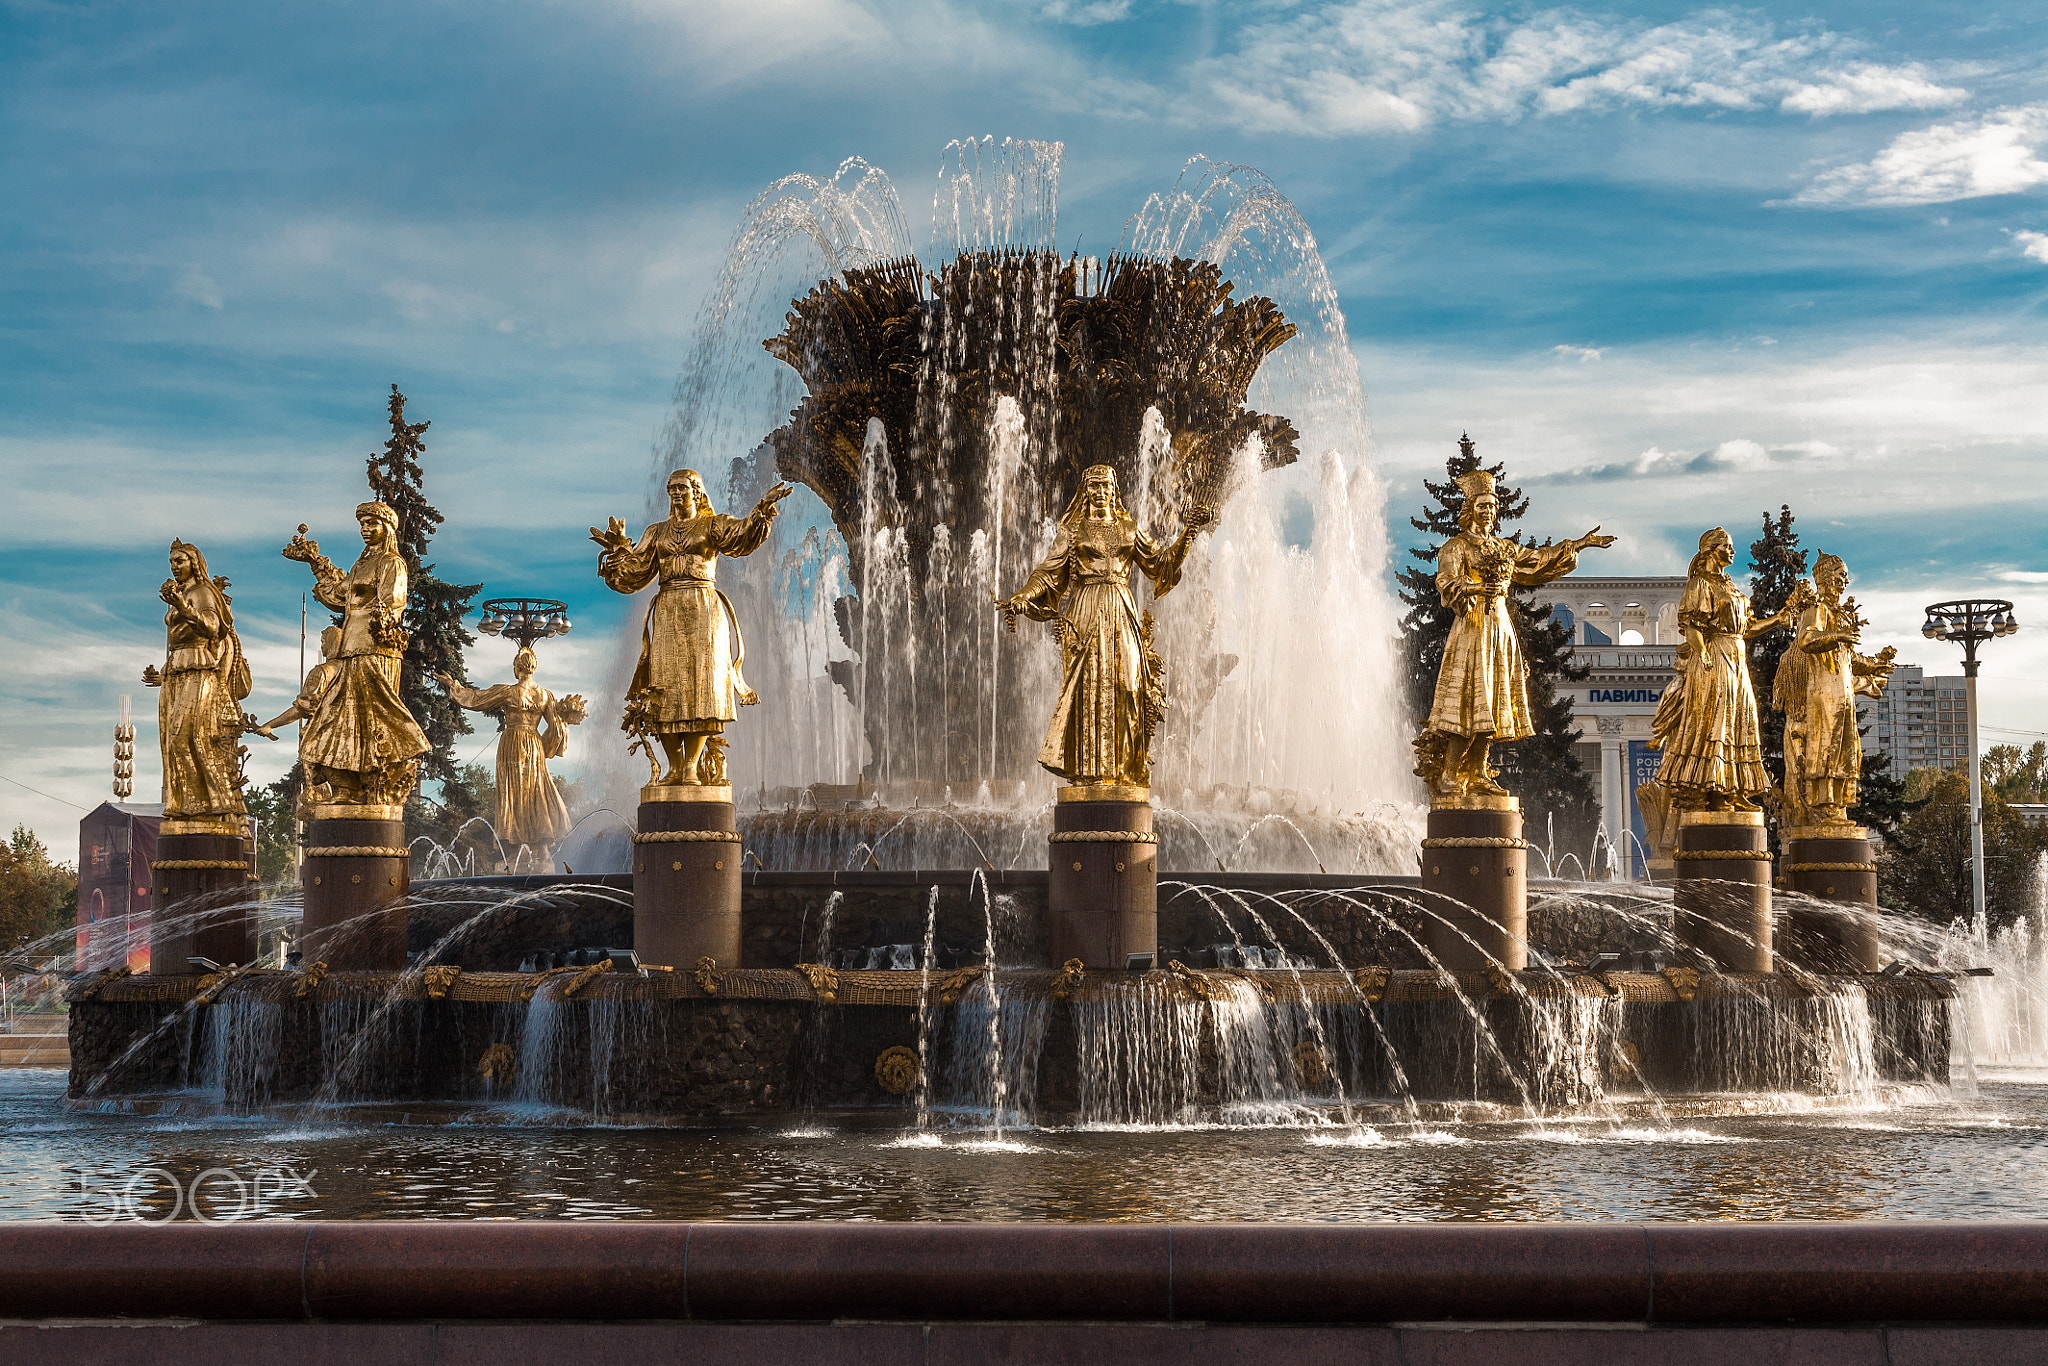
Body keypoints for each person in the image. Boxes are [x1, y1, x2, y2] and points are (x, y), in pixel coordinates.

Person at [992, 464, 1213, 789]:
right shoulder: (1073, 532)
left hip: (1122, 614)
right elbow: (1048, 573)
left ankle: (1123, 772)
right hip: (1083, 612)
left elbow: (1162, 565)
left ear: (1114, 491)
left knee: (1128, 685)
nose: (1098, 492)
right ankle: (1084, 775)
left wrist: (1189, 532)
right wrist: (1023, 596)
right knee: (1086, 691)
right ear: (1085, 492)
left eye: (1104, 486)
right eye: (1092, 486)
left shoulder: (1129, 529)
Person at [1414, 466, 1612, 800]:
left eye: (1492, 506)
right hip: (1472, 628)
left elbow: (1539, 559)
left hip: (1500, 627)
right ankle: (1450, 772)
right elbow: (1445, 583)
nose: (1489, 511)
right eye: (1482, 505)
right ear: (1469, 509)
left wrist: (1582, 543)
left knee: (1492, 703)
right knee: (1469, 701)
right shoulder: (1456, 548)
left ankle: (1477, 773)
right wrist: (1476, 586)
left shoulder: (1505, 549)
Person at [592, 469, 790, 786]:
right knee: (665, 689)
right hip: (668, 608)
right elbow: (635, 570)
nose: (675, 493)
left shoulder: (712, 525)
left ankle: (691, 768)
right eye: (671, 488)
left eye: (682, 487)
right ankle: (674, 767)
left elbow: (740, 536)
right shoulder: (657, 532)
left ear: (696, 491)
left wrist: (762, 509)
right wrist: (617, 552)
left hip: (704, 609)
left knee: (701, 690)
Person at [281, 502, 429, 806]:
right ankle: (344, 784)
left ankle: (386, 769)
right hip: (350, 648)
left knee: (375, 717)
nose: (365, 529)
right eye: (361, 523)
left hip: (375, 650)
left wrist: (381, 619)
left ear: (386, 528)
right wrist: (313, 561)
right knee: (340, 715)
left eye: (371, 523)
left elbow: (393, 603)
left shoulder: (392, 563)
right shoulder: (362, 564)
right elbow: (338, 594)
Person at [1649, 527, 1791, 812]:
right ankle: (1714, 791)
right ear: (1710, 550)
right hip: (1715, 657)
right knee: (1718, 721)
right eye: (1727, 545)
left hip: (1737, 657)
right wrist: (1702, 655)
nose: (1732, 550)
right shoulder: (1700, 585)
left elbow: (1747, 628)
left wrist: (1777, 619)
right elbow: (1692, 626)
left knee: (1742, 719)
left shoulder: (1730, 586)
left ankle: (1734, 788)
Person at [1773, 553, 1896, 827]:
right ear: (1826, 578)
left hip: (1842, 694)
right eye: (1841, 576)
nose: (1846, 581)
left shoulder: (1838, 614)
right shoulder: (1817, 610)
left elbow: (1849, 658)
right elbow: (1806, 639)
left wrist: (1876, 665)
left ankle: (1838, 806)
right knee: (1826, 748)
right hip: (1824, 692)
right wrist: (1838, 635)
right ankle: (1825, 805)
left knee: (1845, 749)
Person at [141, 539, 253, 820]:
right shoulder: (182, 592)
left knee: (188, 738)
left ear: (194, 563)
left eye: (180, 561)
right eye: (171, 563)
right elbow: (178, 640)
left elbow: (212, 628)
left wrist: (182, 606)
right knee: (171, 741)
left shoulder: (202, 591)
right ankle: (185, 804)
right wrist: (162, 675)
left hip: (199, 669)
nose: (174, 567)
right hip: (177, 670)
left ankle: (211, 803)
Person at [436, 648, 587, 852]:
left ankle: (517, 850)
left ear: (517, 668)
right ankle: (541, 850)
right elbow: (557, 728)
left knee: (514, 794)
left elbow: (476, 699)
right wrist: (547, 744)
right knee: (537, 792)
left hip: (511, 744)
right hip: (534, 746)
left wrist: (453, 685)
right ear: (534, 669)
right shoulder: (545, 695)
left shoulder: (508, 691)